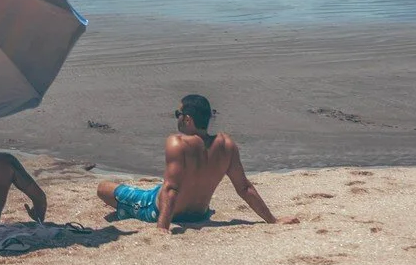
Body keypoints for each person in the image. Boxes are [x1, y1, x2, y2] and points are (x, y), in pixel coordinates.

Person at [96, 93, 299, 233]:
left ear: (188, 120)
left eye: (178, 114)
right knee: (160, 187)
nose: (177, 118)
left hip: (159, 209)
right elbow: (244, 188)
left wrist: (162, 228)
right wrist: (273, 220)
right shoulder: (226, 144)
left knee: (103, 188)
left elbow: (172, 188)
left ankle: (132, 209)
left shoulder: (178, 143)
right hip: (200, 213)